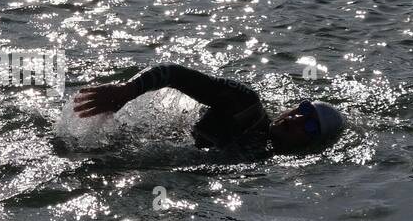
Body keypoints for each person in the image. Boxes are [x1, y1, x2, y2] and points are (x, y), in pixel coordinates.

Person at [72, 63, 346, 154]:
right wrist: (127, 91)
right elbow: (172, 73)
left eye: (309, 125)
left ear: (310, 145)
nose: (297, 119)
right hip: (134, 141)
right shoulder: (246, 106)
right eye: (304, 110)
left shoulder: (262, 162)